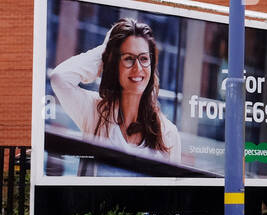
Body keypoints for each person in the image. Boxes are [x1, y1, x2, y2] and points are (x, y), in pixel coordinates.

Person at [49, 19, 181, 167]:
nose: (138, 68)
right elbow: (59, 77)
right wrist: (106, 51)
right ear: (114, 64)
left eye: (144, 58)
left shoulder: (168, 133)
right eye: (129, 59)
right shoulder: (94, 112)